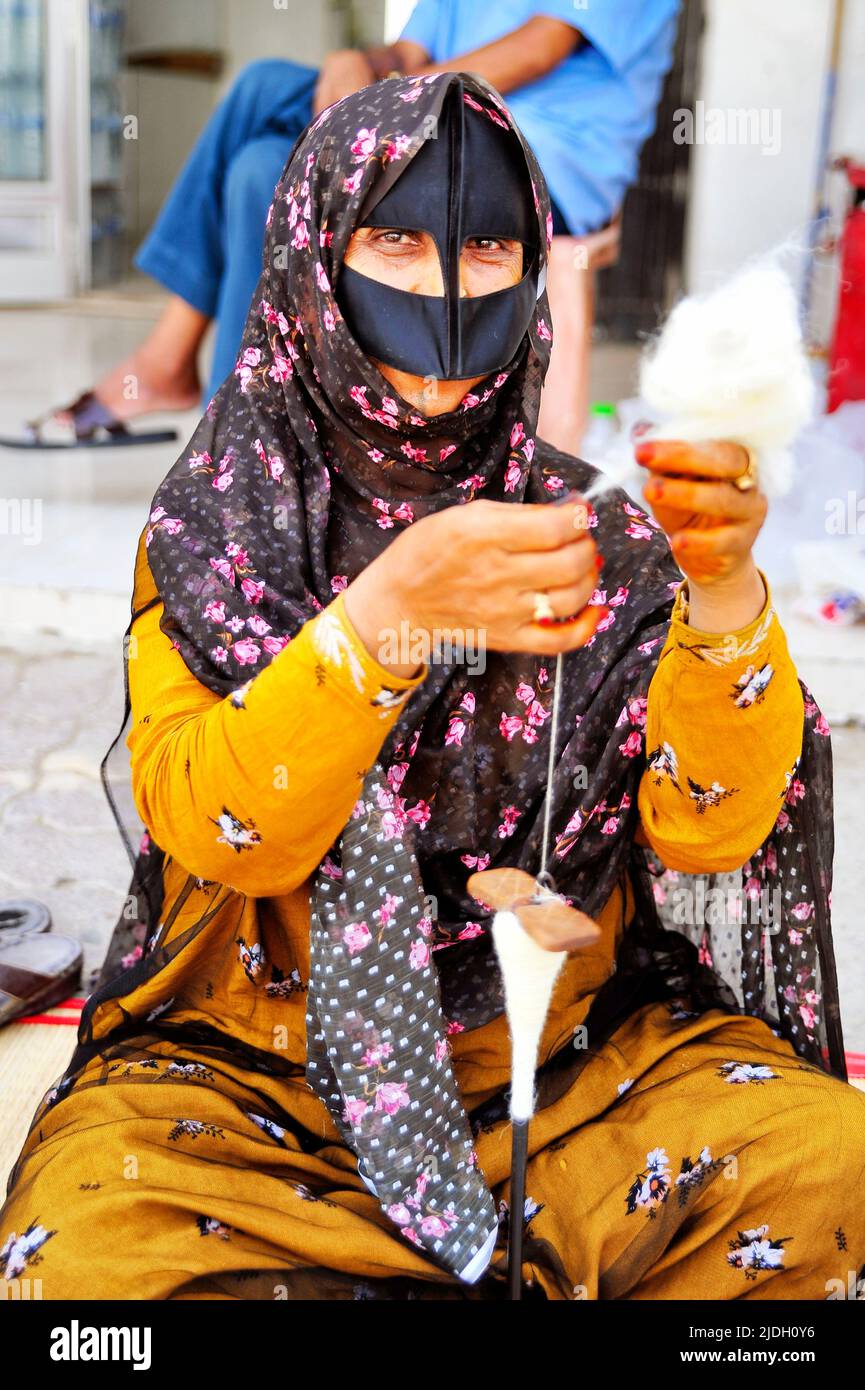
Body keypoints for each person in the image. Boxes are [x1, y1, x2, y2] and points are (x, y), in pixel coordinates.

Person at [2, 72, 861, 1301]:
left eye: (487, 244)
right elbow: (218, 829)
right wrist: (383, 624)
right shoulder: (223, 522)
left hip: (562, 1074)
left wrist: (723, 594)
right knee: (81, 1259)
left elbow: (709, 832)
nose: (444, 290)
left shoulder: (594, 534)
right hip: (254, 1083)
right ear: (311, 254)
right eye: (394, 239)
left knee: (830, 1165)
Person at [4, 1, 679, 454]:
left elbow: (537, 50)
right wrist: (364, 62)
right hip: (433, 123)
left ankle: (174, 372)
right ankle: (241, 428)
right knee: (259, 170)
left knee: (265, 85)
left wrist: (380, 98)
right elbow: (409, 48)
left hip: (531, 157)